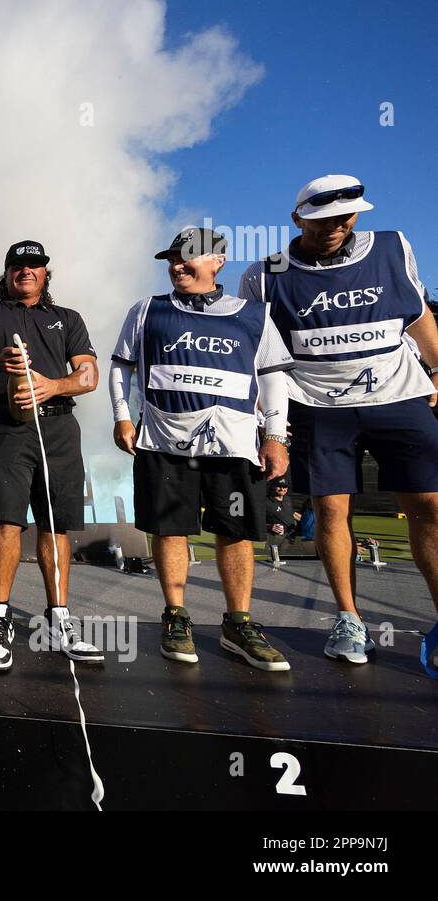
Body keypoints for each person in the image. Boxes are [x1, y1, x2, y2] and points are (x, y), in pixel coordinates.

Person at [239, 175, 438, 671]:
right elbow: (259, 355)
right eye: (322, 217)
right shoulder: (265, 274)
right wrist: (269, 426)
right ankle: (349, 619)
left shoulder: (392, 246)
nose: (336, 225)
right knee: (331, 512)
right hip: (317, 406)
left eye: (346, 216)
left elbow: (417, 318)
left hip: (400, 395)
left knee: (430, 507)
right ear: (297, 218)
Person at [110, 227, 293, 671]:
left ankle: (238, 624)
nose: (177, 264)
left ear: (217, 262)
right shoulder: (147, 310)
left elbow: (272, 379)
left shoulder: (252, 314)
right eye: (171, 258)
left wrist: (275, 435)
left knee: (235, 533)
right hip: (164, 442)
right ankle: (175, 616)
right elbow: (121, 365)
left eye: (188, 257)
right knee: (170, 529)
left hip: (233, 445)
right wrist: (121, 415)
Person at [0, 239, 103, 669]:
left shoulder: (67, 318)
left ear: (45, 273)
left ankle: (58, 621)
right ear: (6, 273)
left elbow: (89, 375)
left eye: (34, 265)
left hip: (59, 425)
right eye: (17, 266)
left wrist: (53, 386)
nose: (26, 271)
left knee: (55, 524)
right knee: (7, 521)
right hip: (8, 425)